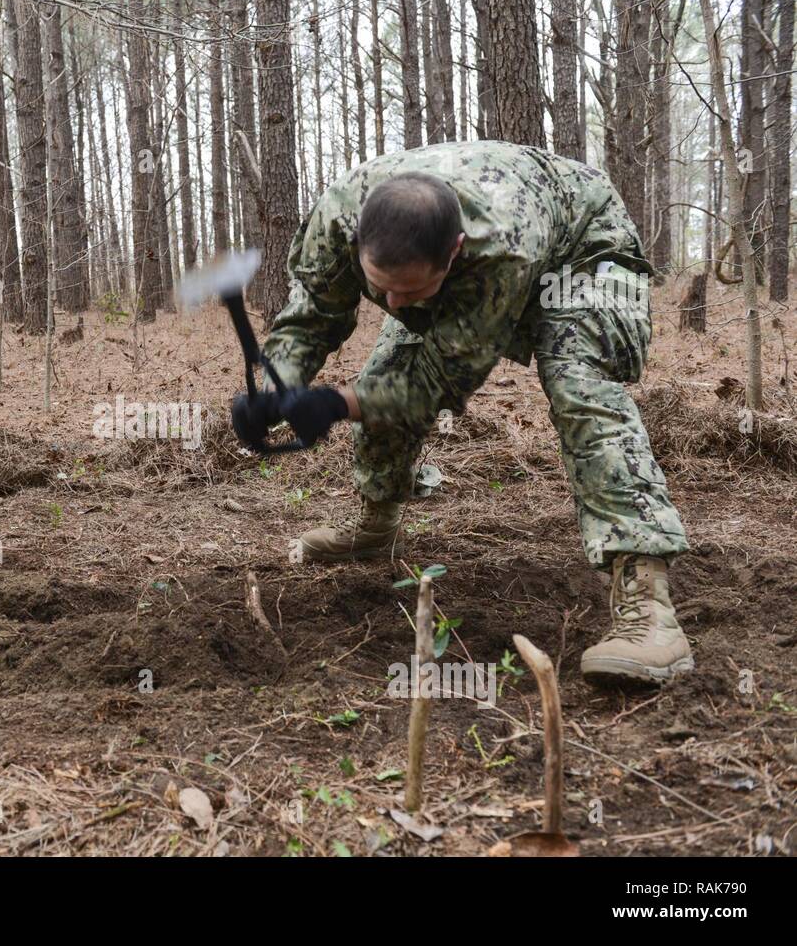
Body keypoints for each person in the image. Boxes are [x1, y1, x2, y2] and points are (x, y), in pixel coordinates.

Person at [236, 141, 693, 687]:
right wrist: (279, 389)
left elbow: (435, 385)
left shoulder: (500, 249)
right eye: (381, 289)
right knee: (391, 359)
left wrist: (335, 403)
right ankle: (375, 525)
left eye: (411, 291)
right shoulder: (337, 216)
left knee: (578, 377)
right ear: (357, 240)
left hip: (581, 248)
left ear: (453, 253)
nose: (396, 305)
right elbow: (310, 311)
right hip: (486, 241)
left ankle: (649, 607)